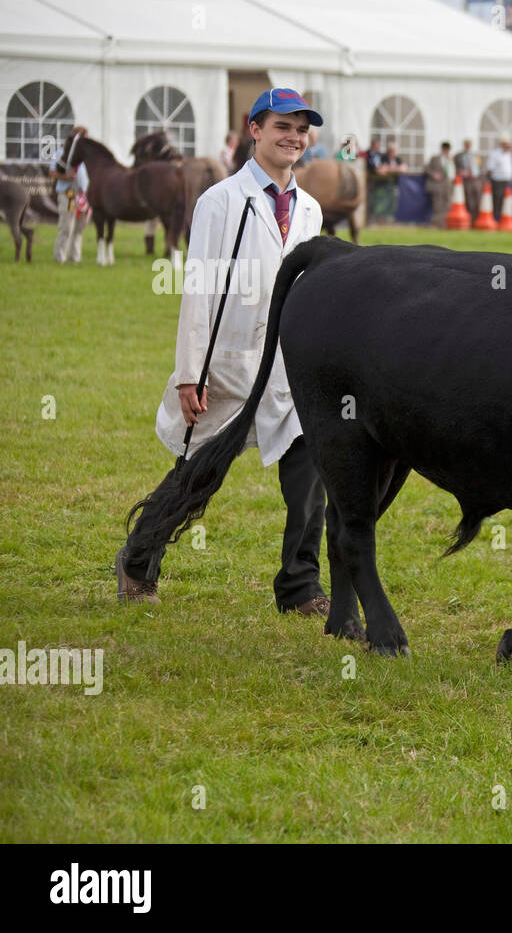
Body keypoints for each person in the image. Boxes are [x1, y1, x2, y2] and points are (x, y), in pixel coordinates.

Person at [116, 88, 328, 617]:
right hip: (228, 366)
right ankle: (138, 562)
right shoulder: (220, 201)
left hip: (289, 370)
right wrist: (191, 374)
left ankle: (300, 586)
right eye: (282, 126)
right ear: (254, 129)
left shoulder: (310, 210)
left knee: (310, 479)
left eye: (301, 129)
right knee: (196, 477)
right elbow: (199, 291)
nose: (293, 137)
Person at [50, 128, 90, 264]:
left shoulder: (85, 156)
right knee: (66, 226)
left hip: (83, 195)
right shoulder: (61, 153)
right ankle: (60, 257)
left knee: (80, 227)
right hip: (68, 193)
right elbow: (53, 172)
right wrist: (66, 177)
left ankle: (75, 257)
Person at [486, 139, 512, 221]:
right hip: (497, 180)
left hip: (507, 180)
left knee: (506, 200)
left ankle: (503, 218)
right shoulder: (495, 154)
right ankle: (496, 218)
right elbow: (490, 168)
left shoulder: (509, 154)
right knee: (497, 200)